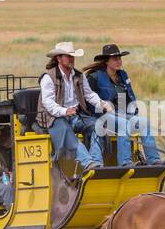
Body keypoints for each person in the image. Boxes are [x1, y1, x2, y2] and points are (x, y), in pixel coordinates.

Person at [36, 41, 115, 175]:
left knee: (98, 126)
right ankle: (88, 163)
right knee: (67, 131)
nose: (71, 59)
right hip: (53, 117)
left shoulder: (79, 75)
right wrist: (64, 111)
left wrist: (102, 104)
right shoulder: (48, 77)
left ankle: (96, 161)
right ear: (58, 58)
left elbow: (89, 95)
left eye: (72, 56)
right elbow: (48, 102)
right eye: (68, 56)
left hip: (75, 116)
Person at [84, 43, 164, 166]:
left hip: (122, 114)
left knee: (144, 122)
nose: (118, 61)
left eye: (119, 58)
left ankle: (153, 159)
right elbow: (88, 101)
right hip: (101, 116)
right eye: (115, 59)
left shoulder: (123, 75)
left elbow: (129, 98)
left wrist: (133, 113)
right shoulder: (94, 77)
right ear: (106, 61)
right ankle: (125, 162)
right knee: (124, 124)